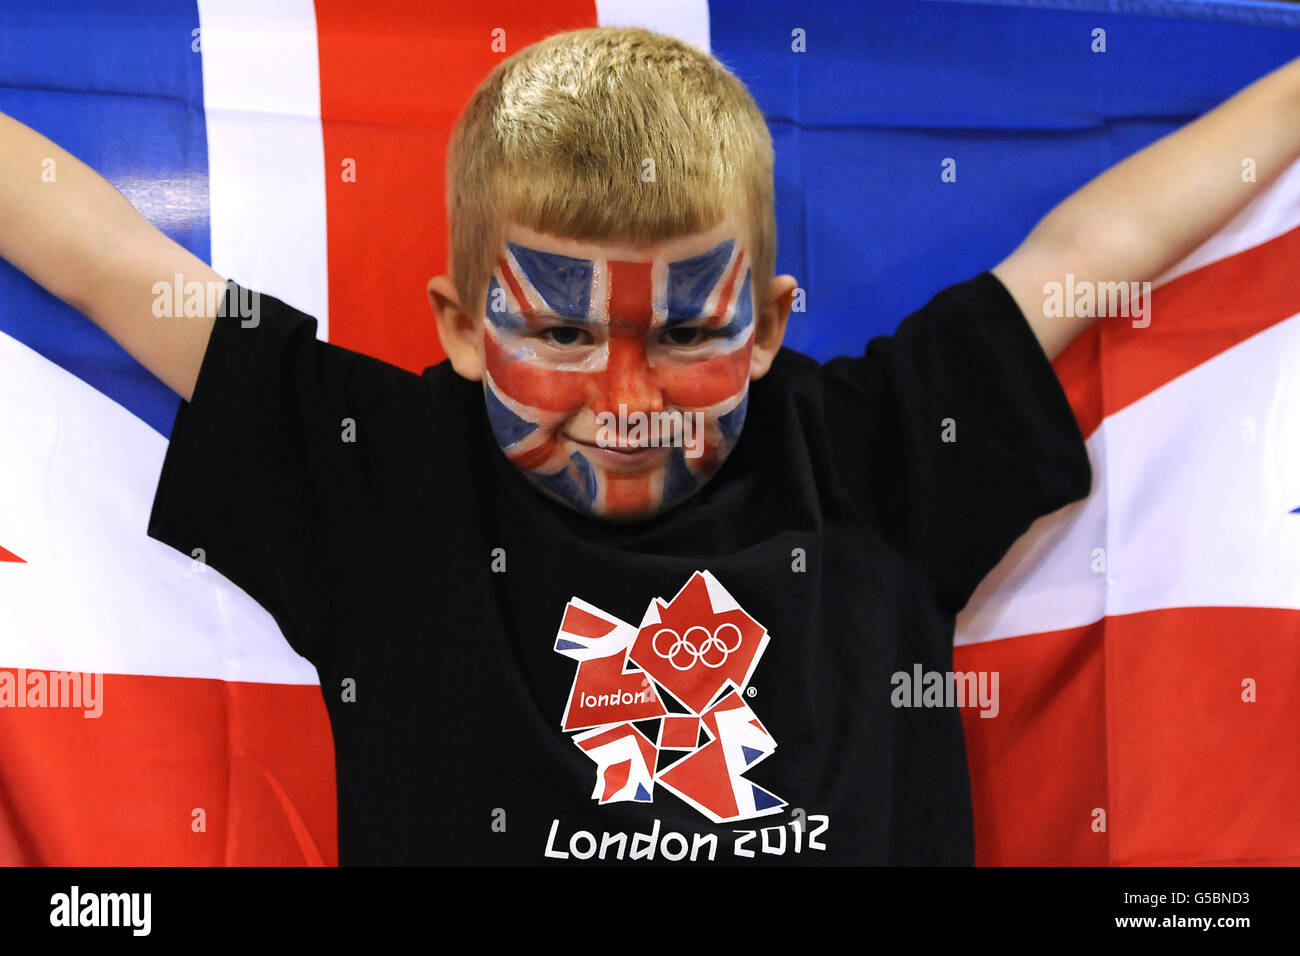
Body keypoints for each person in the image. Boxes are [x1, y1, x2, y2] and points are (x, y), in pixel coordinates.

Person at [1, 26, 1296, 865]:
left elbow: (1092, 255)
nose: (623, 397)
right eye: (559, 336)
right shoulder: (376, 474)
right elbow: (108, 263)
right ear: (459, 328)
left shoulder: (875, 458)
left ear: (773, 322)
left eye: (685, 334)